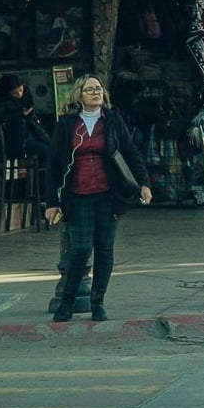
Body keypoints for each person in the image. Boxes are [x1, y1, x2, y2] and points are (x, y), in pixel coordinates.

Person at [42, 75, 153, 323]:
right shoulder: (67, 124)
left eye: (99, 89)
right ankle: (67, 302)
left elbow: (130, 151)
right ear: (79, 94)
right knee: (79, 250)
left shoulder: (112, 121)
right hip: (78, 196)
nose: (96, 93)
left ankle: (97, 302)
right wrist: (51, 202)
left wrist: (144, 183)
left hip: (107, 195)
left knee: (104, 249)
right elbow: (53, 164)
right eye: (90, 89)